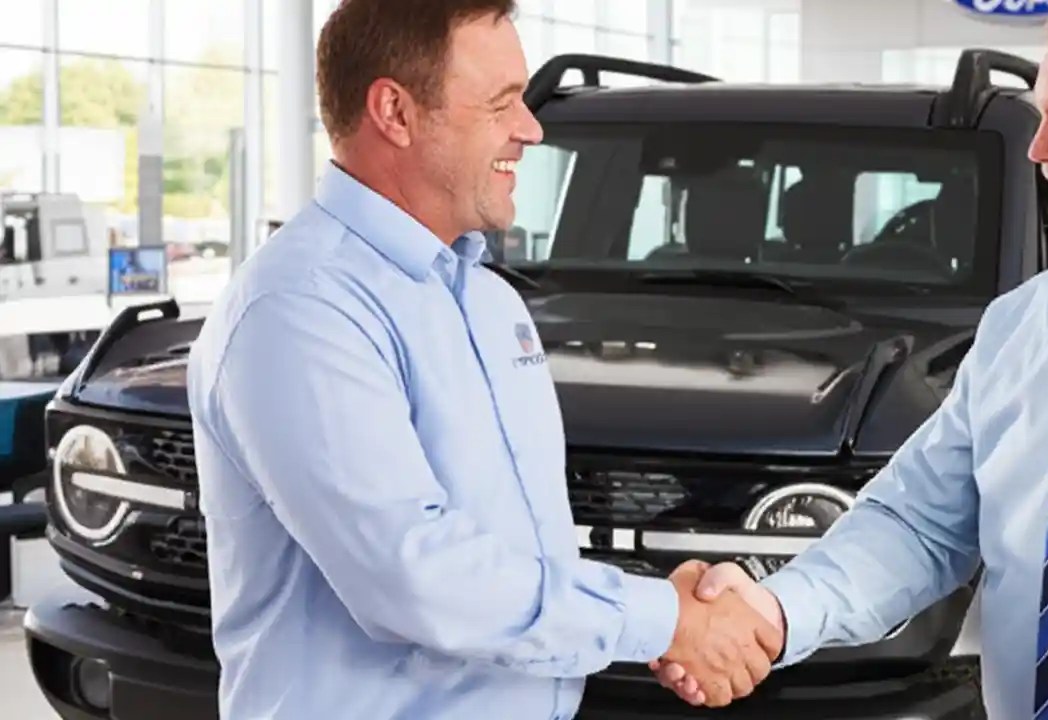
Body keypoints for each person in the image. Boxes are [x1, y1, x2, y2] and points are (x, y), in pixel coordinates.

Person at [653, 0, 1048, 717]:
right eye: (1042, 118)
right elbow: (919, 524)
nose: (1039, 149)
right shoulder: (1023, 324)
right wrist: (773, 610)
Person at [185, 1, 780, 718]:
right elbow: (416, 576)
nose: (530, 129)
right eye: (501, 104)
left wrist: (659, 611)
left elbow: (514, 559)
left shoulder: (491, 304)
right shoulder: (298, 311)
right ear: (395, 112)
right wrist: (667, 619)